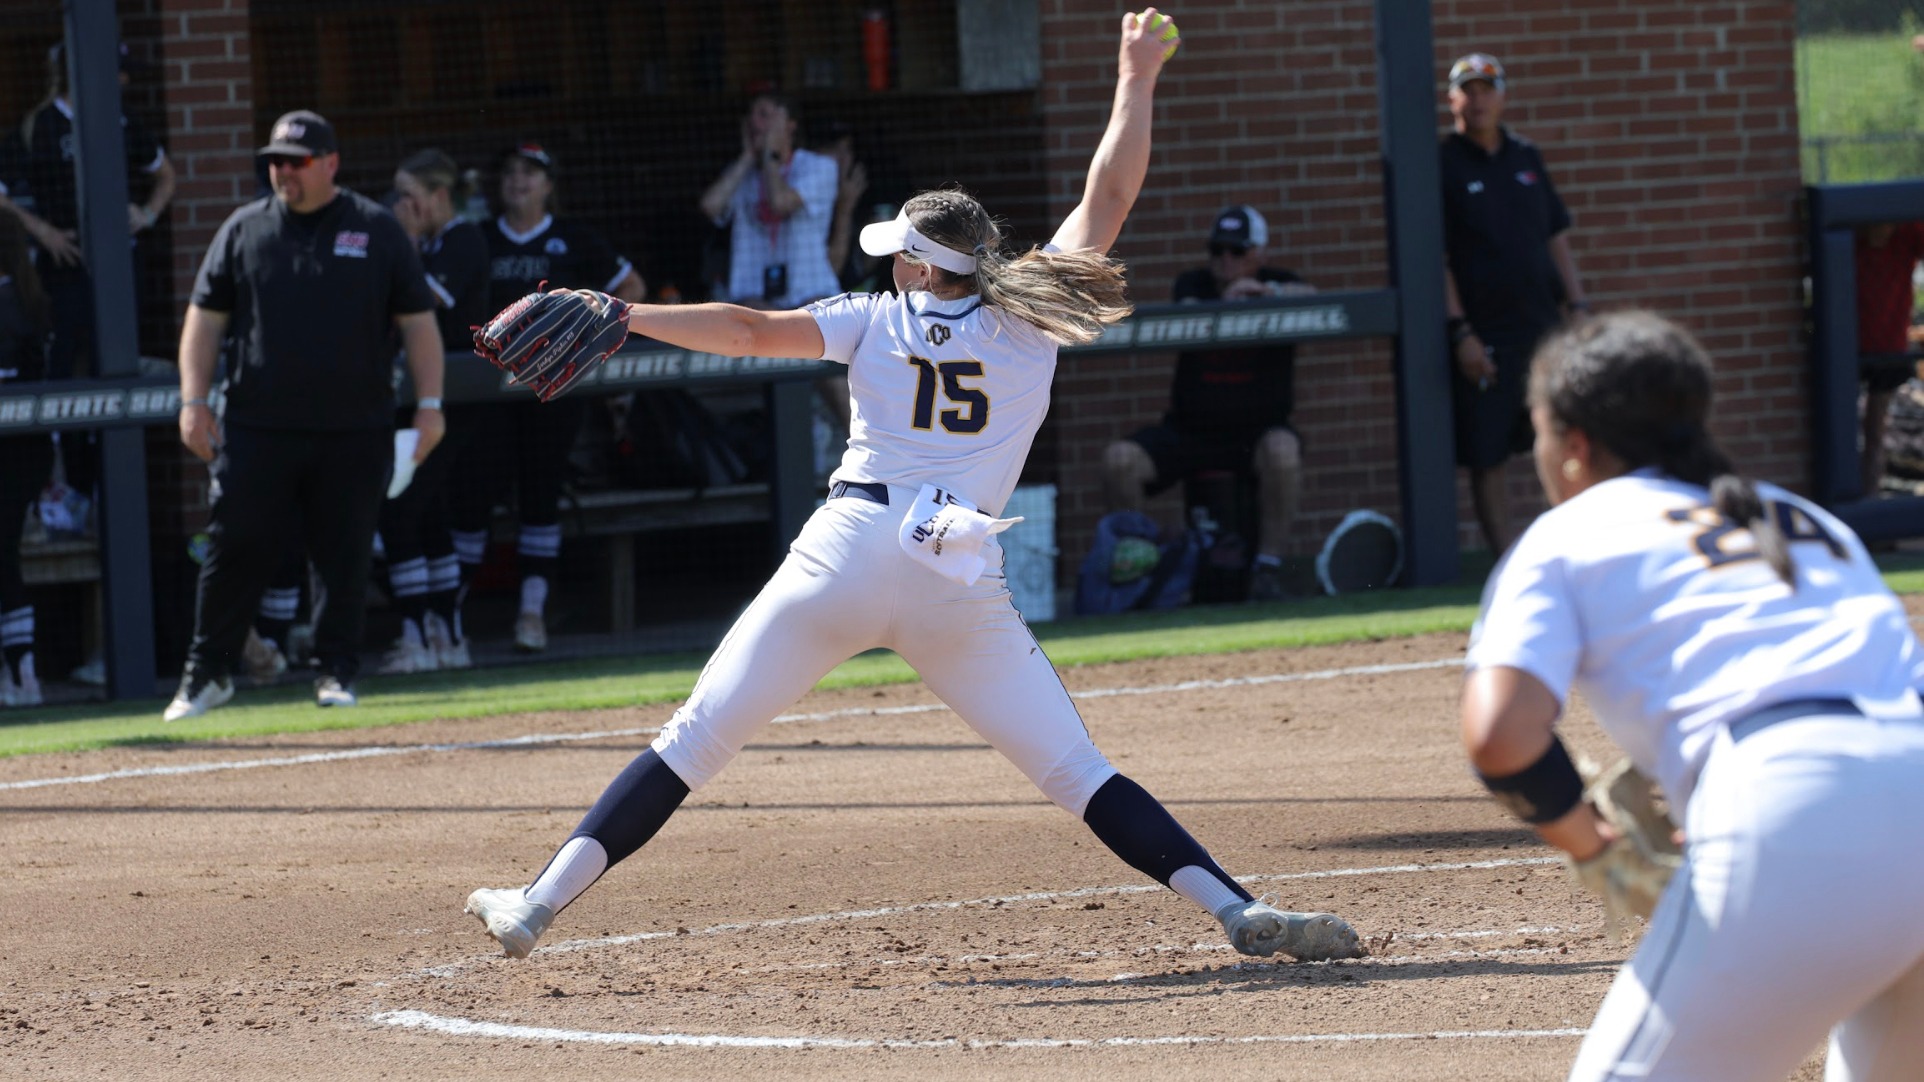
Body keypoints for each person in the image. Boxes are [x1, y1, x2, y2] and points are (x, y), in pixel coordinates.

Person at [464, 12, 1366, 968]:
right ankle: (1232, 908)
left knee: (693, 742)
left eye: (904, 251)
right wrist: (1136, 76)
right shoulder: (1031, 321)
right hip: (955, 571)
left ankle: (536, 903)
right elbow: (1110, 190)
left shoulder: (872, 317)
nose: (893, 260)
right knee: (1077, 771)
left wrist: (627, 314)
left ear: (920, 266)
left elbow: (743, 330)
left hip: (847, 547)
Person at [1460, 309, 1924, 1081]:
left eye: (1539, 431)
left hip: (1795, 805)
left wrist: (1593, 848)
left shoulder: (1568, 531)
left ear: (1574, 448)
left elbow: (1500, 737)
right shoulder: (1800, 518)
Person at [164, 110, 445, 719]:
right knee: (233, 544)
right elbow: (204, 322)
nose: (282, 171)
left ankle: (335, 672)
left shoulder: (375, 228)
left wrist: (429, 408)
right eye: (275, 161)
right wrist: (192, 401)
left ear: (330, 163)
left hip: (356, 427)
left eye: (296, 160)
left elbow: (419, 325)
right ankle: (206, 675)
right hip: (256, 426)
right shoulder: (243, 229)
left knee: (343, 556)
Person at [462, 142, 644, 653]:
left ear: (549, 184)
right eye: (511, 172)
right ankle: (446, 617)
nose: (519, 181)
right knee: (474, 495)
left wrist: (590, 335)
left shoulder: (573, 239)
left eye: (530, 173)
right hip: (487, 397)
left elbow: (630, 288)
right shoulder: (478, 239)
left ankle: (531, 612)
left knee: (541, 494)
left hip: (553, 392)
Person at [1101, 205, 1314, 602]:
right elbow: (1186, 309)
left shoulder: (1281, 282)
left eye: (1237, 251)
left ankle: (1266, 569)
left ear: (1260, 254)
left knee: (1284, 451)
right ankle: (1142, 569)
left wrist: (1269, 294)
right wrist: (1225, 303)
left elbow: (1314, 299)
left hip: (1257, 433)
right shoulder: (1194, 283)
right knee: (1119, 460)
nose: (1226, 260)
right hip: (1190, 431)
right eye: (1218, 251)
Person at [1440, 52, 1586, 556]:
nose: (1478, 99)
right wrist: (1461, 331)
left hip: (1543, 326)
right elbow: (1436, 258)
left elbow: (1556, 237)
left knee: (1564, 434)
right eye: (1468, 90)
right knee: (1489, 453)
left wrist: (1578, 307)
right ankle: (1506, 562)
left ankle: (1568, 551)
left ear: (1503, 96)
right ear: (1452, 99)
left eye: (1487, 88)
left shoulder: (1526, 156)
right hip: (1485, 334)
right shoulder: (1443, 163)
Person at [378, 148, 490, 673]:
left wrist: (403, 243)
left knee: (400, 507)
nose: (401, 205)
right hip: (421, 395)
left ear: (439, 196)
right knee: (425, 511)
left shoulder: (463, 239)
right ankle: (444, 635)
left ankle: (419, 635)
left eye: (410, 195)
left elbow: (419, 302)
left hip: (455, 399)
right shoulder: (432, 243)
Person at [699, 92, 840, 310]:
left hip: (810, 296)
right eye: (751, 116)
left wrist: (770, 156)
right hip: (755, 302)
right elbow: (710, 206)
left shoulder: (820, 167)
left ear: (790, 125)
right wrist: (747, 156)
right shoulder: (741, 173)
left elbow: (781, 203)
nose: (754, 122)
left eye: (764, 115)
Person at [0, 208, 54, 708]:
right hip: (31, 454)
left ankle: (22, 674)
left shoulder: (16, 300)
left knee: (3, 559)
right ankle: (23, 671)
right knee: (6, 557)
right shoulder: (32, 296)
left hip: (11, 452)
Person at [1853, 220, 1924, 496]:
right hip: (1847, 348)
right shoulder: (1850, 238)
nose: (1881, 229)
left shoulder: (1907, 235)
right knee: (1843, 430)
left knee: (1875, 431)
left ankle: (1871, 498)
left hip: (1889, 347)